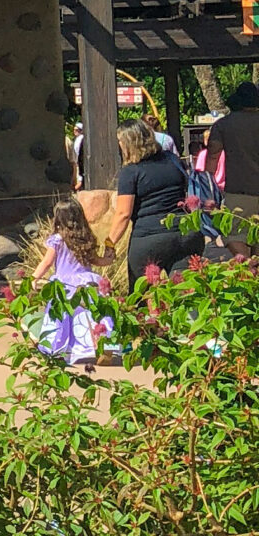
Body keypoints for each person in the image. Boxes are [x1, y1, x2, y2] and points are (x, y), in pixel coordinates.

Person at [109, 119, 204, 286]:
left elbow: (123, 214)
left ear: (127, 143)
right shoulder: (172, 159)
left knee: (142, 294)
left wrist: (109, 243)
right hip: (185, 232)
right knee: (187, 290)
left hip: (149, 237)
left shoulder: (131, 171)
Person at [24, 199, 113, 367]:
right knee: (91, 315)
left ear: (58, 218)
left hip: (64, 285)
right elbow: (97, 261)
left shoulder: (57, 240)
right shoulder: (85, 238)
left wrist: (33, 278)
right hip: (88, 282)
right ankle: (102, 345)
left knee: (61, 317)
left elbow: (47, 262)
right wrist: (109, 258)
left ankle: (56, 348)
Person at [207, 81, 259, 223]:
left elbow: (213, 156)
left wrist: (209, 190)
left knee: (236, 233)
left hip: (239, 192)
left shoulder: (223, 125)